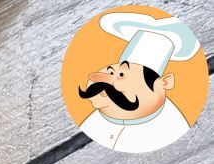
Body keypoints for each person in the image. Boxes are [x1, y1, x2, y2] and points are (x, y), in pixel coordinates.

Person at [79, 12, 200, 153]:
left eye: (122, 75)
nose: (104, 80)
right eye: (110, 71)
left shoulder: (169, 130)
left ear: (164, 83)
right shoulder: (94, 120)